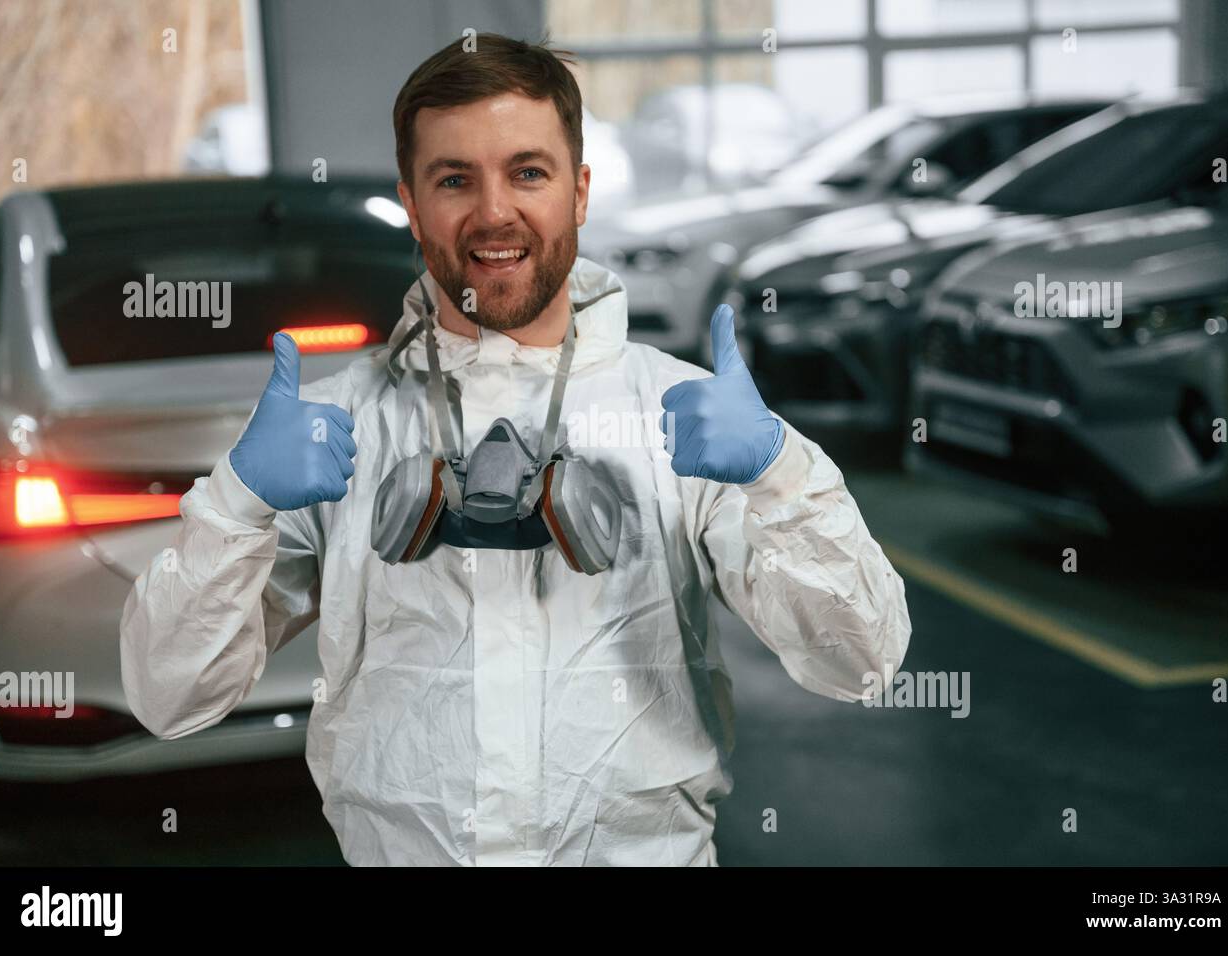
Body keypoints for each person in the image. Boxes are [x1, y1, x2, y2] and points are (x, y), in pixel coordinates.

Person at [120, 32, 912, 866]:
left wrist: (780, 472)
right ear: (413, 203)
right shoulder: (337, 431)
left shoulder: (678, 418)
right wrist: (237, 500)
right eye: (455, 179)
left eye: (527, 173)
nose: (494, 212)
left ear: (579, 193)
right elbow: (170, 696)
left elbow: (861, 664)